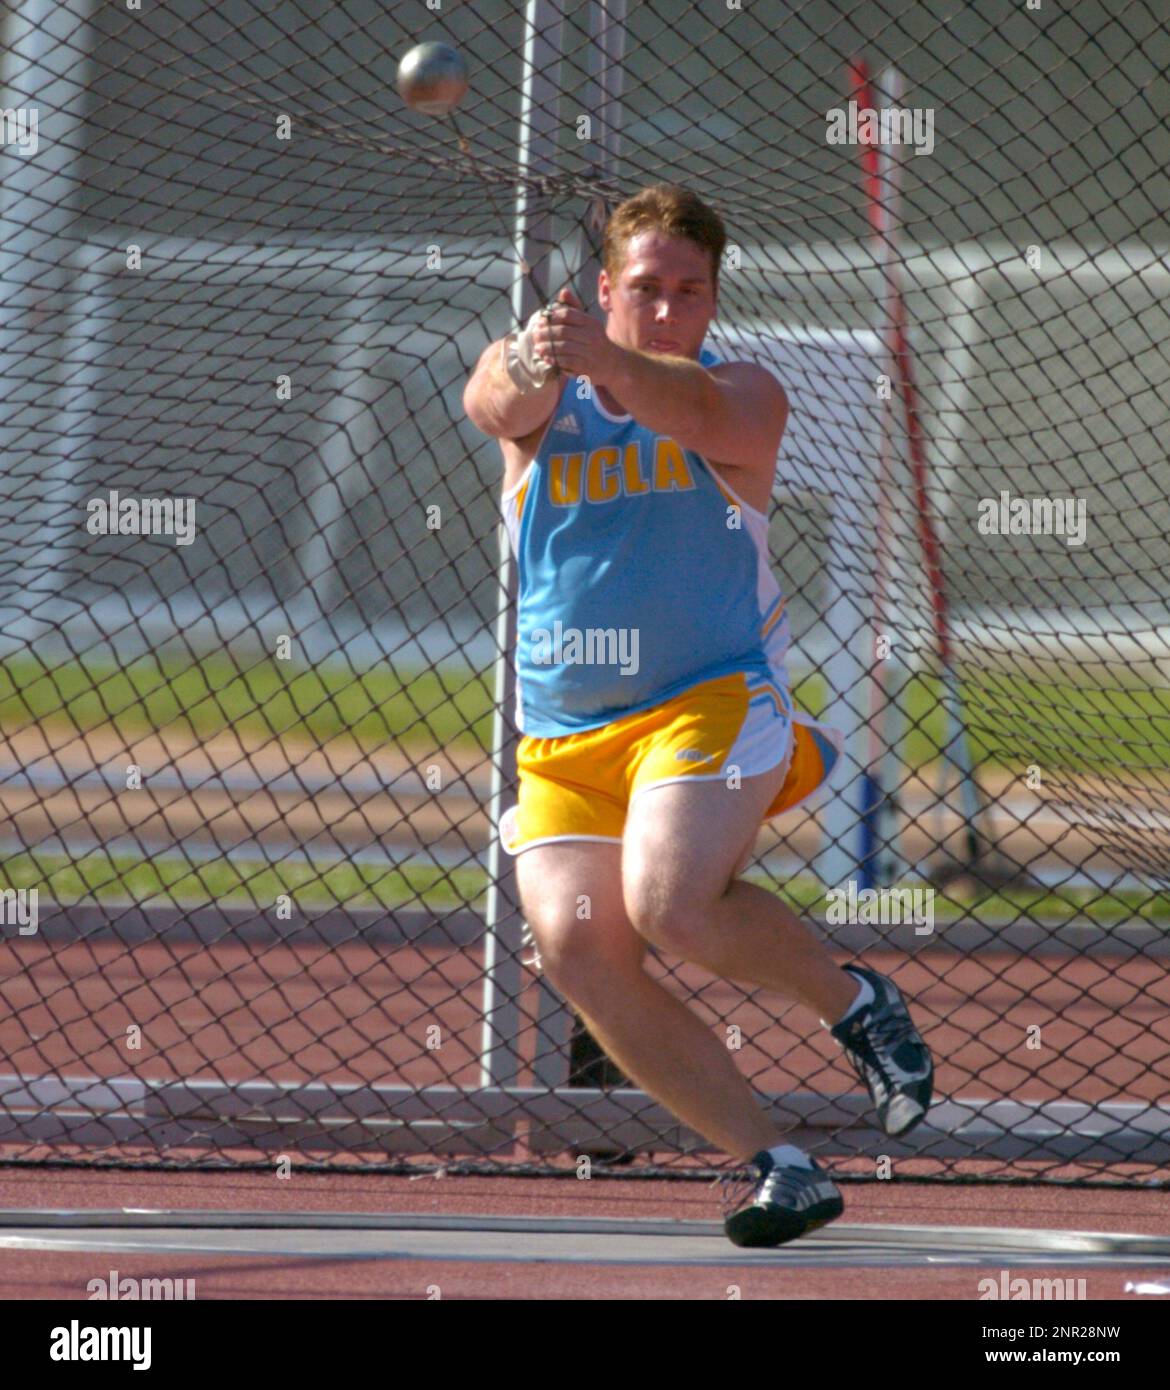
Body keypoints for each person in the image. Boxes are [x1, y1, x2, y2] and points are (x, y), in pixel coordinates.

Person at [463, 183, 932, 1247]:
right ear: (601, 292)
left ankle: (855, 1002)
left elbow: (687, 408)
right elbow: (491, 398)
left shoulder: (744, 395)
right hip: (565, 736)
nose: (668, 307)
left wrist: (607, 358)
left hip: (707, 702)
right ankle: (784, 1166)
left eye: (690, 291)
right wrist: (536, 357)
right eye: (645, 290)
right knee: (579, 954)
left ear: (713, 302)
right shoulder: (545, 398)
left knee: (672, 903)